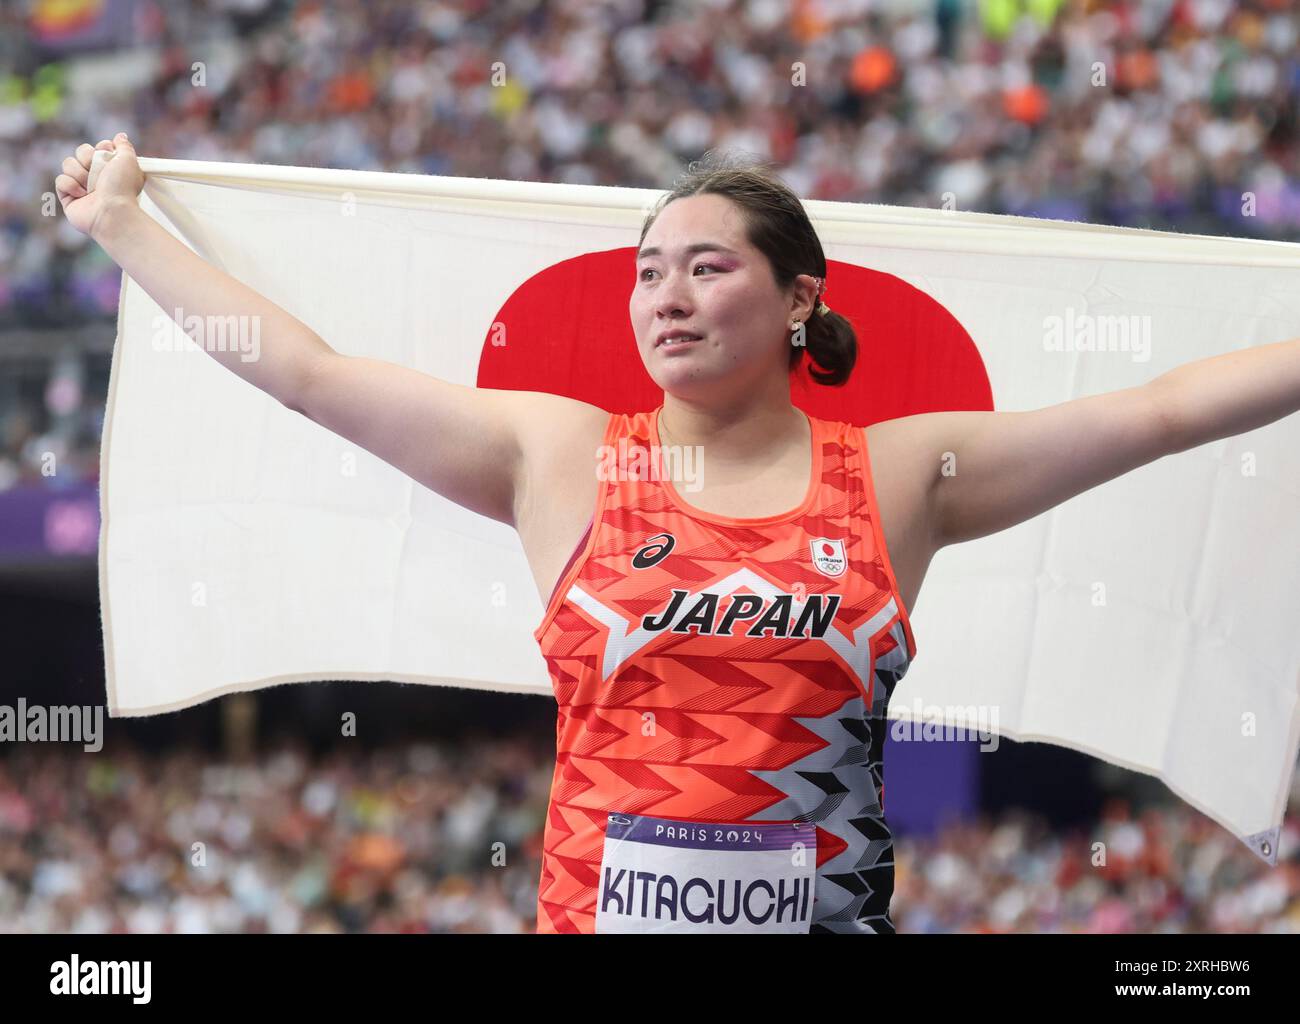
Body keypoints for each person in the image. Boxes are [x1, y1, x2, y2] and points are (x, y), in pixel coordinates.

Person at [56, 137, 1300, 934]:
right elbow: (311, 376)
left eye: (707, 268)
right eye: (649, 271)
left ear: (799, 297)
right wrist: (123, 227)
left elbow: (1161, 410)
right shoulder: (560, 455)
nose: (667, 295)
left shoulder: (906, 471)